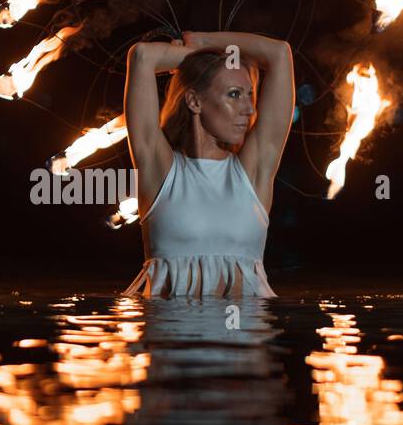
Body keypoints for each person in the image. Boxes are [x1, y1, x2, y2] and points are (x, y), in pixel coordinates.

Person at [121, 30, 294, 298]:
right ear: (194, 101)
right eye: (235, 94)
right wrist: (201, 58)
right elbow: (143, 56)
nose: (249, 108)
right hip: (170, 337)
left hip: (242, 337)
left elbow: (279, 54)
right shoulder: (160, 171)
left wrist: (204, 43)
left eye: (250, 94)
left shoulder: (252, 173)